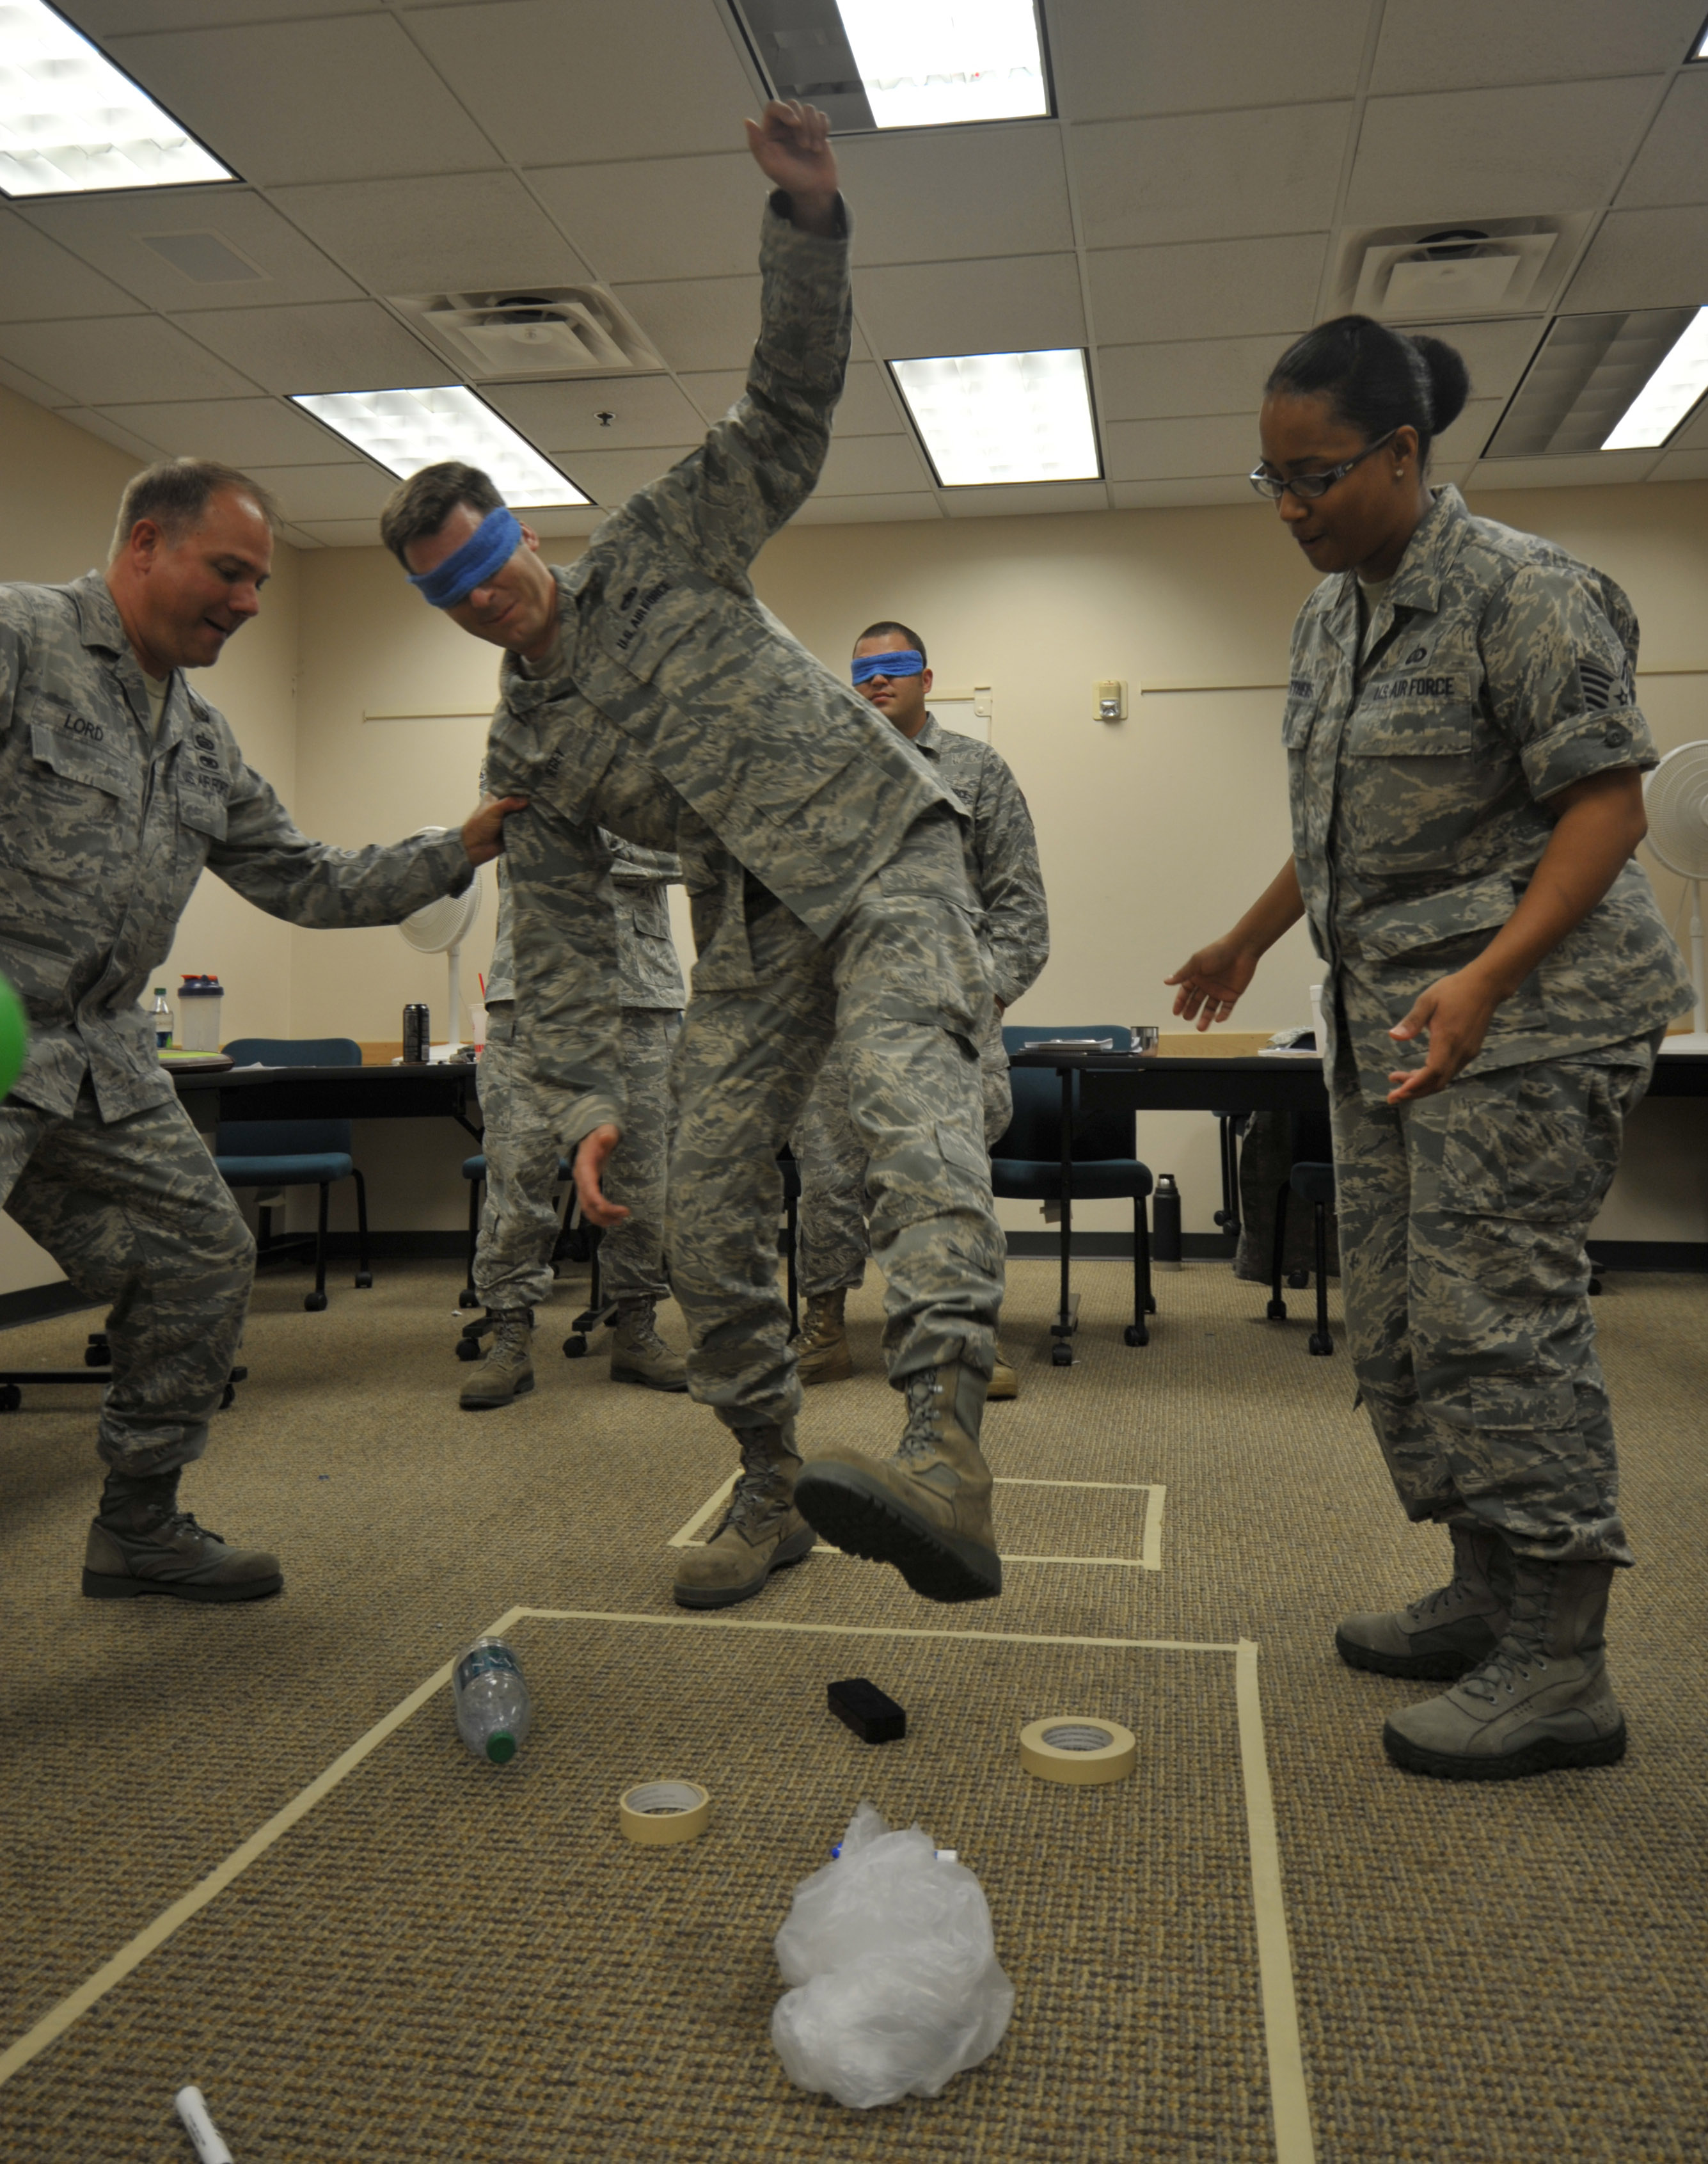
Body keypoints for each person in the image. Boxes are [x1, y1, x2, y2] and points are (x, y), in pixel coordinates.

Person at [377, 103, 1006, 1614]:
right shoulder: (525, 753)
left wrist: (808, 222)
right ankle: (771, 1487)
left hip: (884, 857)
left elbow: (784, 408)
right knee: (708, 1206)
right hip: (749, 932)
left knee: (912, 1124)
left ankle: (945, 1457)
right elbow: (563, 942)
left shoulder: (661, 545)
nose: (487, 599)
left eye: (491, 563)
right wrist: (592, 1102)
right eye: (453, 595)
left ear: (525, 537)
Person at [1167, 317, 1693, 1782]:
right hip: (1394, 1020)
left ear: (1400, 453)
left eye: (1314, 476)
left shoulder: (1527, 592)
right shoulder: (1330, 620)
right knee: (1402, 1321)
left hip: (1532, 1016)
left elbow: (1608, 807)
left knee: (1497, 1315)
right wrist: (1248, 937)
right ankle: (1485, 1588)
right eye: (1270, 480)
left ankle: (1561, 1660)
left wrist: (1488, 977)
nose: (1289, 508)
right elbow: (1342, 824)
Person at [0, 459, 516, 1602]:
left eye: (260, 583)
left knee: (202, 1251)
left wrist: (461, 846)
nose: (245, 601)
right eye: (228, 571)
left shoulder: (201, 738)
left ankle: (139, 1524)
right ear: (145, 544)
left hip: (98, 1055)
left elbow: (305, 877)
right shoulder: (21, 638)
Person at [791, 622, 1047, 1398]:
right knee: (827, 1179)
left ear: (928, 679)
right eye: (863, 670)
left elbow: (1022, 907)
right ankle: (824, 1329)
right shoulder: (824, 773)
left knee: (947, 1183)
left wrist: (981, 1000)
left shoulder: (977, 770)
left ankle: (962, 1340)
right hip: (841, 1022)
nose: (878, 680)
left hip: (944, 1026)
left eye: (896, 666)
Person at [461, 832, 688, 1409]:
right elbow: (530, 835)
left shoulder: (664, 770)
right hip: (533, 994)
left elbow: (690, 847)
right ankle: (510, 1337)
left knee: (644, 1184)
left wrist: (584, 833)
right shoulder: (522, 764)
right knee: (519, 1176)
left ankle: (636, 1329)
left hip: (642, 1000)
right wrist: (617, 837)